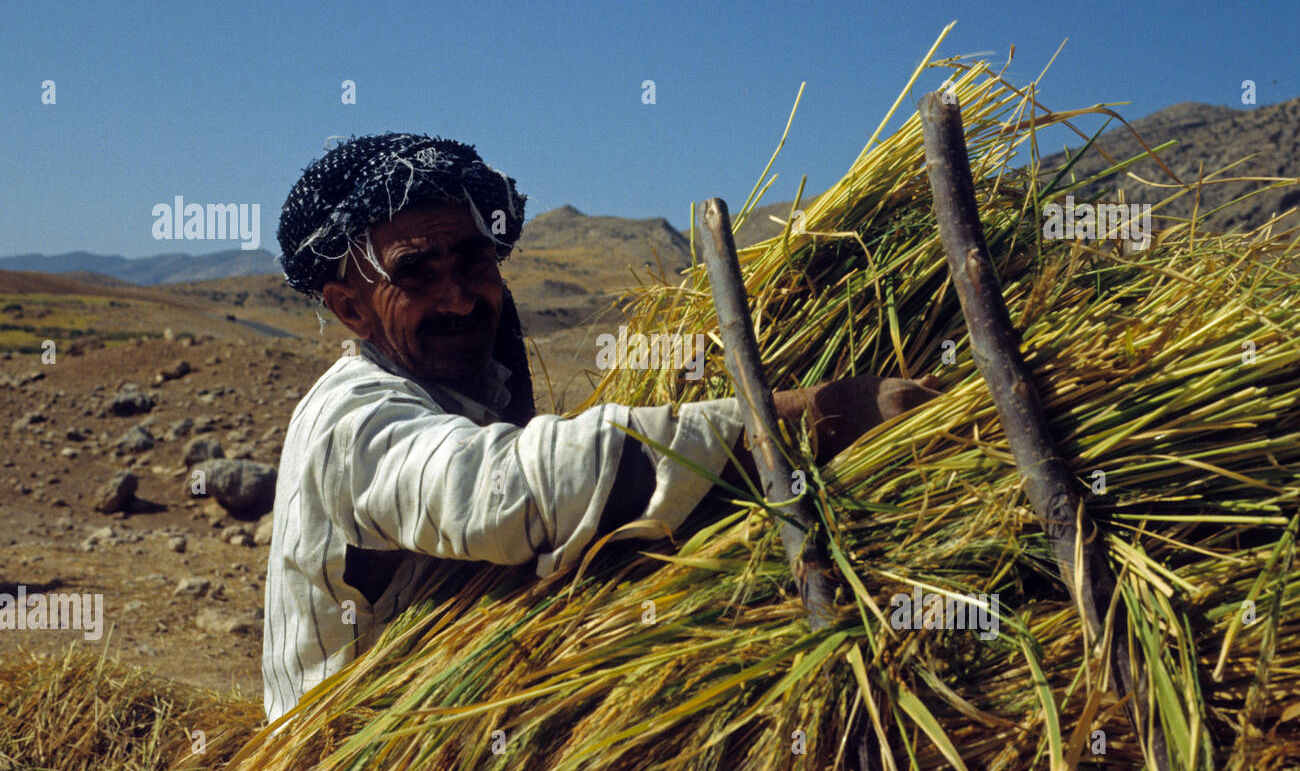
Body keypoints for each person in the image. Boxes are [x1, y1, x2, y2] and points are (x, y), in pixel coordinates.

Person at [262, 132, 938, 722]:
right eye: (415, 274)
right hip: (349, 747)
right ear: (350, 307)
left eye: (473, 262)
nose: (459, 296)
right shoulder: (350, 419)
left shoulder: (464, 388)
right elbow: (506, 493)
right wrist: (806, 419)